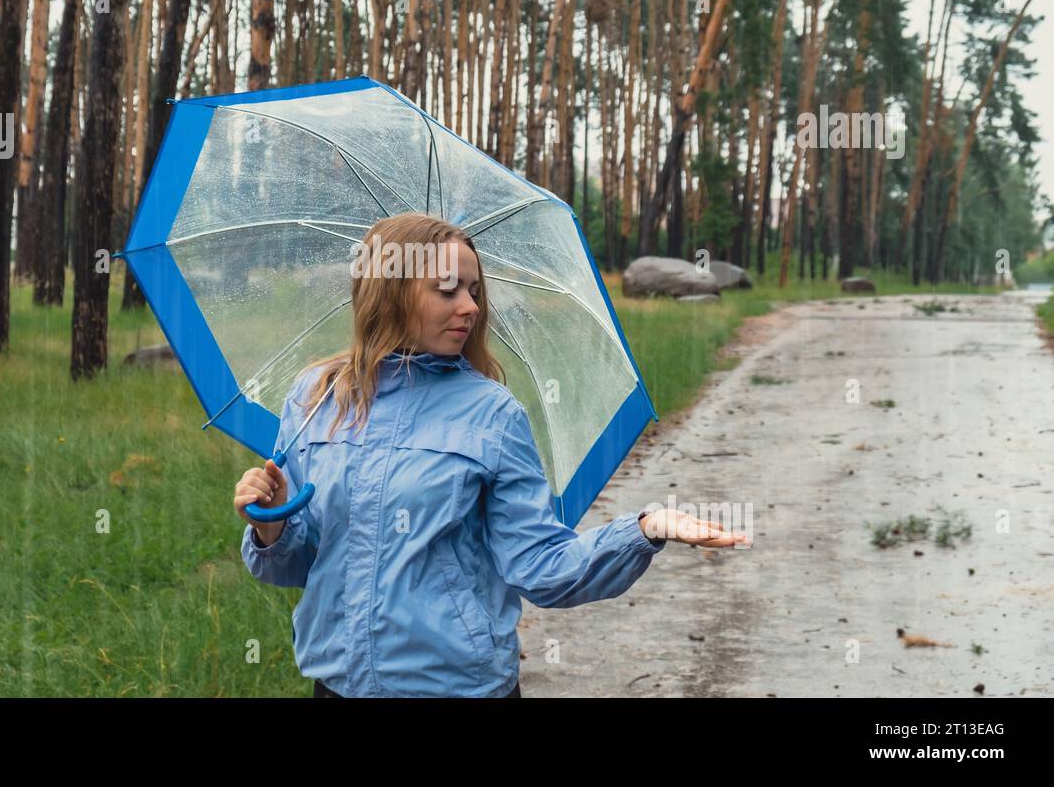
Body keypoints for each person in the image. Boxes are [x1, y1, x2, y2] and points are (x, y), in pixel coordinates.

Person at [235, 213, 750, 698]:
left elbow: (540, 565)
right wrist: (271, 525)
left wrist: (644, 529)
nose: (471, 307)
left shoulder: (492, 414)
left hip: (457, 686)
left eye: (475, 290)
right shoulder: (317, 397)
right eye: (448, 290)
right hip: (338, 683)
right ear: (388, 293)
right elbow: (297, 565)